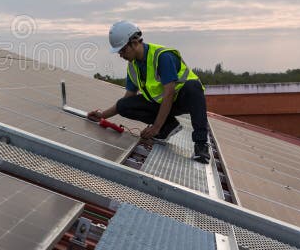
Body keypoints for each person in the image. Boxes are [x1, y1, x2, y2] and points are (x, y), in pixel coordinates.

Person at [87, 21, 211, 163]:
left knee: (193, 86)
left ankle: (201, 145)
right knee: (123, 105)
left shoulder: (162, 57)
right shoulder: (133, 66)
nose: (120, 55)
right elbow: (129, 97)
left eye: (122, 50)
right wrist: (102, 116)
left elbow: (169, 93)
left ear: (134, 43)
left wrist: (155, 127)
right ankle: (168, 126)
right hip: (160, 105)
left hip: (181, 99)